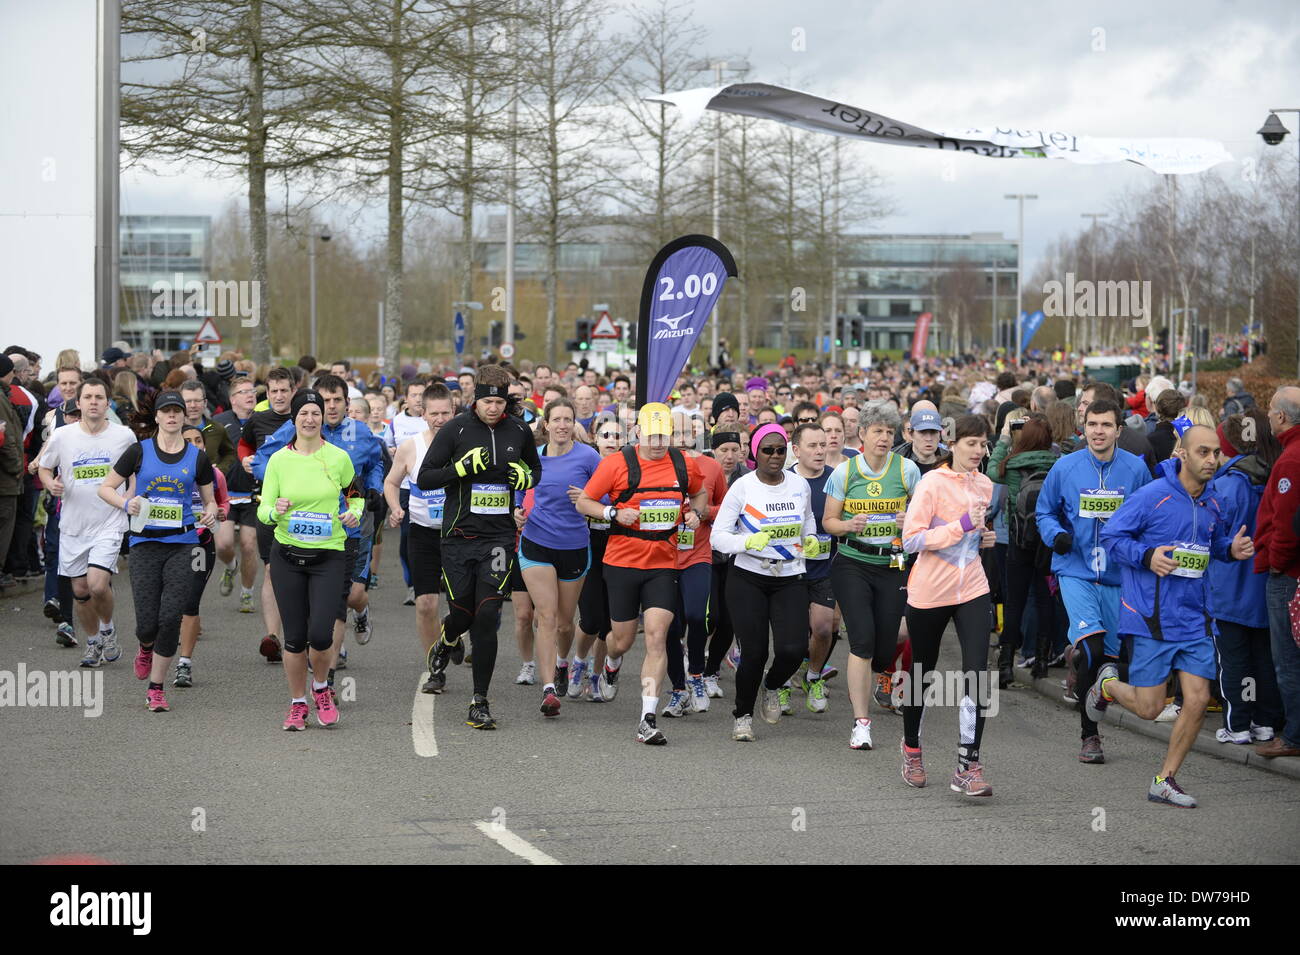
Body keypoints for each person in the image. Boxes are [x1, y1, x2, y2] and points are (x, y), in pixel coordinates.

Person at [1091, 424, 1256, 807]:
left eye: (1216, 452)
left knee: (1198, 699)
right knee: (1150, 710)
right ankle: (1107, 685)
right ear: (1182, 454)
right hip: (1152, 616)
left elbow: (1212, 543)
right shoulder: (1152, 496)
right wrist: (1148, 556)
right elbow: (1113, 538)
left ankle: (1165, 779)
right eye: (1203, 452)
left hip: (1195, 617)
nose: (1212, 460)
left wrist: (1231, 549)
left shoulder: (1215, 501)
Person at [417, 364, 541, 729]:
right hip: (457, 538)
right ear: (475, 400)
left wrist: (525, 476)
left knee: (487, 615)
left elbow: (535, 470)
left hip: (499, 539)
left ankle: (479, 701)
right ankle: (448, 636)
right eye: (487, 401)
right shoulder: (456, 428)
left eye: (499, 402)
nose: (493, 408)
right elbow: (425, 478)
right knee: (463, 615)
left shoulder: (518, 429)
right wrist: (459, 468)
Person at [575, 402, 706, 745]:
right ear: (637, 433)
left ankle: (647, 717)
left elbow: (700, 493)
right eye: (652, 435)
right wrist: (612, 512)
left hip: (663, 563)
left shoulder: (682, 463)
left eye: (665, 435)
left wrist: (698, 514)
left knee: (657, 637)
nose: (659, 442)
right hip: (621, 564)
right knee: (621, 641)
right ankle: (611, 665)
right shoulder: (619, 463)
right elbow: (584, 501)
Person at [1035, 397, 1151, 764]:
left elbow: (1149, 516)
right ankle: (1090, 736)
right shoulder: (1065, 467)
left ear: (1119, 430)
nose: (1097, 431)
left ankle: (1082, 666)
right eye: (1092, 424)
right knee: (1094, 650)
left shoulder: (1135, 470)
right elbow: (1044, 511)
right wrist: (1057, 535)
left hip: (1119, 577)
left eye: (1105, 425)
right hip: (1077, 571)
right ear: (1082, 427)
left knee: (1109, 661)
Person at [254, 374, 386, 686]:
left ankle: (331, 657)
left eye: (336, 400)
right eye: (324, 401)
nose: (329, 408)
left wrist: (374, 491)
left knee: (350, 596)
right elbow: (265, 462)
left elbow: (375, 464)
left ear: (346, 403)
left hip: (345, 532)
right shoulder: (296, 428)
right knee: (317, 612)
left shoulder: (359, 433)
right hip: (297, 535)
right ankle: (325, 671)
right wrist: (278, 492)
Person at [97, 391, 219, 712]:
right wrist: (127, 503)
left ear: (183, 416)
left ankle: (156, 687)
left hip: (183, 543)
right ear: (157, 417)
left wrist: (210, 511)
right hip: (145, 544)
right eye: (166, 411)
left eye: (177, 411)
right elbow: (105, 488)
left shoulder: (198, 458)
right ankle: (145, 646)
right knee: (147, 623)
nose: (172, 416)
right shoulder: (138, 452)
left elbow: (210, 500)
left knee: (171, 617)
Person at [898, 414, 997, 796]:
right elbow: (911, 540)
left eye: (983, 444)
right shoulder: (931, 483)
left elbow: (974, 538)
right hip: (930, 590)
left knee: (977, 673)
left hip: (971, 586)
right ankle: (911, 749)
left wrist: (982, 537)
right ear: (951, 444)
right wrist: (962, 527)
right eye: (971, 443)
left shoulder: (985, 485)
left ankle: (968, 765)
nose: (978, 451)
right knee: (922, 673)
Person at [256, 390, 360, 730]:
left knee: (320, 634)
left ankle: (322, 688)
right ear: (294, 419)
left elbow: (355, 493)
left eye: (316, 412)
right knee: (295, 638)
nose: (311, 418)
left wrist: (354, 513)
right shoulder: (279, 461)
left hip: (328, 554)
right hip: (287, 555)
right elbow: (263, 507)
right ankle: (298, 703)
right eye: (304, 413)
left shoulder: (338, 457)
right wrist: (275, 511)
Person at [711, 423, 820, 741]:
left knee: (793, 648)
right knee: (755, 652)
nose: (775, 456)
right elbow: (718, 537)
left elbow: (808, 518)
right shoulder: (743, 487)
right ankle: (742, 714)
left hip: (790, 575)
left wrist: (810, 537)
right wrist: (746, 544)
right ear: (754, 453)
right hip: (748, 577)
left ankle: (772, 686)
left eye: (781, 450)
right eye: (767, 450)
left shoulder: (800, 485)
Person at [823, 401, 921, 750]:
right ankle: (860, 723)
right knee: (862, 641)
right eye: (877, 430)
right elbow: (828, 522)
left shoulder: (907, 470)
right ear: (861, 434)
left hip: (893, 561)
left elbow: (921, 520)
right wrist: (847, 524)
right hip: (852, 562)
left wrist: (908, 520)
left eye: (889, 431)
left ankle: (883, 669)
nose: (883, 437)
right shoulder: (845, 473)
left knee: (888, 639)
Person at [36, 378, 137, 663]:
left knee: (96, 584)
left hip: (109, 521)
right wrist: (49, 484)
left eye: (99, 397)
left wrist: (129, 493)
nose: (94, 402)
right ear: (78, 403)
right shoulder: (63, 436)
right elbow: (44, 468)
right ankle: (92, 642)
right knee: (80, 590)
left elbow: (135, 470)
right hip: (73, 523)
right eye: (88, 397)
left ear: (108, 403)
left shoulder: (124, 436)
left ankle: (108, 629)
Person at [517, 398, 600, 717]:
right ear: (546, 425)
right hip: (536, 542)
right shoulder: (533, 459)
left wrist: (589, 498)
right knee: (546, 616)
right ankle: (548, 688)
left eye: (568, 419)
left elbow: (608, 493)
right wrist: (517, 512)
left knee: (566, 624)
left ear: (574, 424)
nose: (563, 424)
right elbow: (518, 492)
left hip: (574, 546)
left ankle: (563, 663)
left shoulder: (589, 457)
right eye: (557, 419)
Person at [1208, 410, 1282, 744]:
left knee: (1234, 661)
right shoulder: (1274, 478)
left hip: (1228, 590)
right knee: (1264, 660)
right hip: (1263, 586)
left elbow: (1206, 537)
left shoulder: (1221, 488)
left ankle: (1237, 723)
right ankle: (1264, 720)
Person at [384, 383, 454, 692]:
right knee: (426, 604)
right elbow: (391, 482)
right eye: (434, 413)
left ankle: (451, 633)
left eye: (446, 413)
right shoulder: (411, 446)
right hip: (423, 534)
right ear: (422, 414)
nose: (440, 419)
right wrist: (396, 507)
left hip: (459, 535)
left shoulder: (464, 444)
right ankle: (435, 667)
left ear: (455, 413)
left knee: (463, 604)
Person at [662, 410, 727, 717]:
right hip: (662, 557)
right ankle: (677, 690)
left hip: (699, 553)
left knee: (698, 615)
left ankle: (697, 673)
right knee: (671, 627)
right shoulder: (656, 465)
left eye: (691, 431)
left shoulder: (711, 467)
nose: (684, 437)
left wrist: (701, 513)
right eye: (678, 431)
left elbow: (725, 510)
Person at [987, 413, 1059, 687]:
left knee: (1014, 601)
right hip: (1048, 543)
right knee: (1045, 600)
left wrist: (1005, 436)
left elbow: (992, 469)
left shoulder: (1012, 463)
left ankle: (1005, 665)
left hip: (1018, 541)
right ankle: (1041, 662)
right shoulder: (1058, 464)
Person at [1251, 385, 1300, 758]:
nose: (1266, 415)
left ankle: (1294, 736)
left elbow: (1286, 526)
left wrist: (1278, 563)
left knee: (1287, 659)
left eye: (1269, 410)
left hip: (1288, 576)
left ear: (1281, 417)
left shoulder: (1289, 462)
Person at [237, 366, 296, 661]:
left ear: (293, 391)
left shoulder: (306, 417)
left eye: (284, 390)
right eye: (274, 391)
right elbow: (244, 444)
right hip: (268, 503)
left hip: (303, 507)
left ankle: (306, 636)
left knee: (301, 572)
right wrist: (246, 461)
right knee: (272, 570)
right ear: (267, 393)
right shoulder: (258, 419)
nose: (279, 396)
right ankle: (273, 637)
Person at [173, 424, 230, 687]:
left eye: (199, 440)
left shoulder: (214, 474)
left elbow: (223, 501)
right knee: (168, 602)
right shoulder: (168, 472)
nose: (195, 445)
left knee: (190, 601)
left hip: (200, 543)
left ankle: (184, 663)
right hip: (170, 543)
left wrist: (219, 513)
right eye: (189, 441)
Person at [788, 420, 836, 713]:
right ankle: (780, 682)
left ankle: (814, 677)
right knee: (791, 638)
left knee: (823, 628)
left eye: (823, 445)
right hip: (790, 569)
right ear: (796, 450)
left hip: (825, 568)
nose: (820, 451)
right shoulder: (783, 479)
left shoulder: (836, 479)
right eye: (812, 446)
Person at [214, 376, 260, 610]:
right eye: (243, 392)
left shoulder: (263, 421)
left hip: (253, 495)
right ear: (233, 399)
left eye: (252, 391)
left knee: (249, 545)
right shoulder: (219, 422)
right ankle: (231, 567)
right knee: (222, 544)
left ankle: (247, 592)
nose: (250, 395)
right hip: (226, 495)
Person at [387, 377, 429, 606]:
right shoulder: (397, 422)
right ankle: (412, 584)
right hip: (405, 488)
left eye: (422, 395)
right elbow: (386, 449)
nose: (418, 400)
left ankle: (432, 579)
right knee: (407, 537)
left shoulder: (434, 420)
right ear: (406, 398)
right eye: (414, 395)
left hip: (433, 489)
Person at [895, 408, 944, 475]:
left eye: (933, 432)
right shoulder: (895, 460)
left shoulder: (951, 460)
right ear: (911, 434)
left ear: (940, 435)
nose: (928, 438)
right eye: (923, 432)